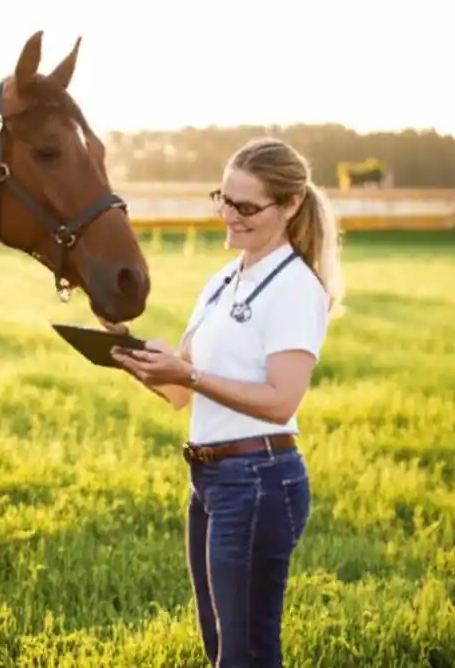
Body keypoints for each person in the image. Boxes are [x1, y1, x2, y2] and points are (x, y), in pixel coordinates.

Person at [108, 137, 345, 667]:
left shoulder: (295, 289)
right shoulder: (223, 279)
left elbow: (282, 400)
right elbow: (177, 392)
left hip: (259, 481)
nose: (229, 216)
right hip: (210, 480)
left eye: (246, 206)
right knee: (220, 646)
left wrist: (188, 372)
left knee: (246, 653)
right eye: (224, 198)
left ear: (289, 205)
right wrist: (128, 350)